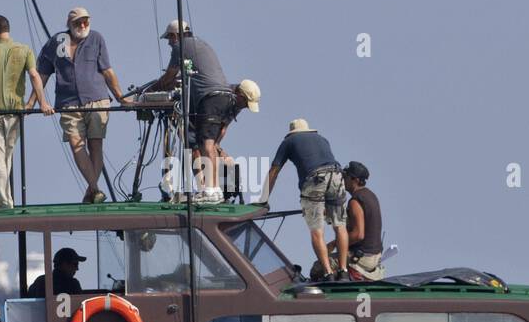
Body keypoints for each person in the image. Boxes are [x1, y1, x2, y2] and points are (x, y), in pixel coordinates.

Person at [150, 20, 261, 204]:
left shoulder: (180, 46)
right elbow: (222, 128)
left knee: (205, 145)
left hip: (208, 99)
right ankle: (209, 189)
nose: (170, 43)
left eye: (169, 39)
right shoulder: (201, 45)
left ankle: (210, 189)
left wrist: (150, 91)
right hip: (211, 100)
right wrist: (219, 148)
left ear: (174, 36)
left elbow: (169, 77)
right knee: (202, 144)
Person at [36, 7, 129, 203]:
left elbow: (107, 71)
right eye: (78, 22)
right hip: (68, 103)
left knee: (96, 145)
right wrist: (33, 102)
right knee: (76, 145)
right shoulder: (56, 41)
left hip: (97, 100)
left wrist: (120, 97)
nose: (83, 25)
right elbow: (42, 74)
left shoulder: (96, 38)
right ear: (69, 25)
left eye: (86, 21)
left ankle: (91, 191)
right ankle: (95, 188)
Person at [0, 15, 54, 210]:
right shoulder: (25, 50)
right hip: (17, 112)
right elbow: (34, 76)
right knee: (6, 158)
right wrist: (42, 103)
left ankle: (6, 202)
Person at [258, 119, 349, 281]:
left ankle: (328, 274)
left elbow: (274, 170)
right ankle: (343, 272)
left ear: (292, 132)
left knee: (317, 230)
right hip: (336, 176)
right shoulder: (322, 139)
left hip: (314, 179)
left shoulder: (288, 141)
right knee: (340, 226)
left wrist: (263, 199)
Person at [319, 161, 385, 281]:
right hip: (374, 257)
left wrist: (334, 244)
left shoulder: (355, 201)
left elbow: (358, 235)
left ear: (354, 179)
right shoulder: (370, 195)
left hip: (363, 259)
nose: (343, 180)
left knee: (318, 268)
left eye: (345, 177)